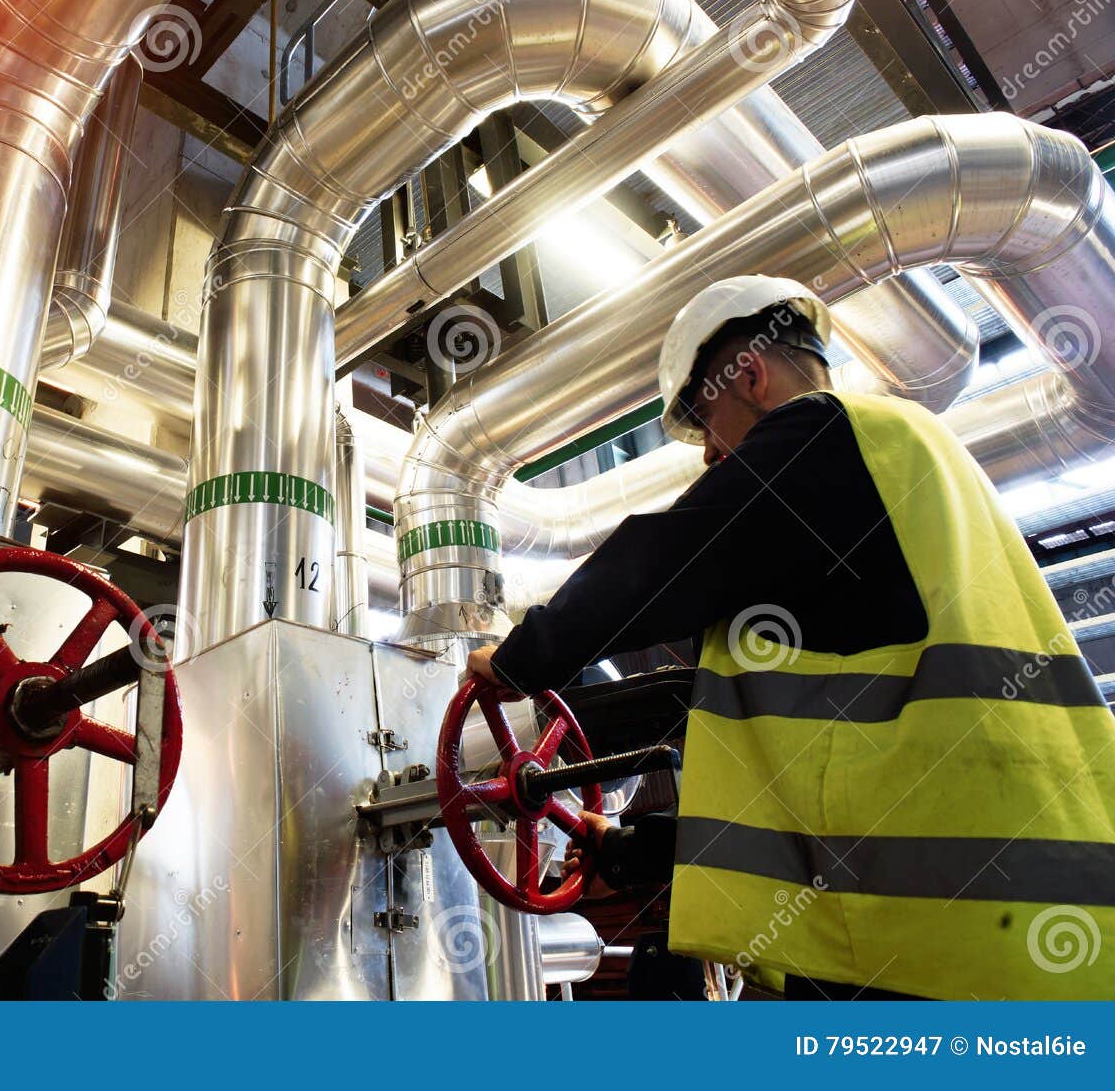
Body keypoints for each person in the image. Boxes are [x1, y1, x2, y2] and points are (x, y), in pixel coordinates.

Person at [465, 275, 1115, 1000]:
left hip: (938, 951)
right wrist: (628, 847)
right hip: (1003, 921)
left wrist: (523, 658)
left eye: (705, 423)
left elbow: (662, 558)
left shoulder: (833, 434)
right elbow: (824, 791)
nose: (711, 456)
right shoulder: (904, 462)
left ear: (751, 373)